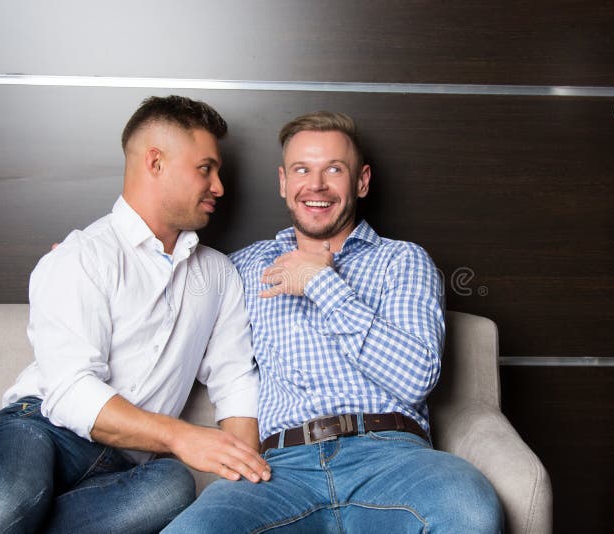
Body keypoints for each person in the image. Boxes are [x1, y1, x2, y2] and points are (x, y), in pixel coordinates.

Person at [0, 95, 271, 534]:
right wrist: (178, 435)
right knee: (4, 508)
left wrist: (246, 474)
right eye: (205, 169)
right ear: (155, 162)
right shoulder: (81, 257)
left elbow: (234, 381)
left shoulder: (219, 274)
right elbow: (71, 392)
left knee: (171, 485)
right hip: (39, 429)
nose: (219, 187)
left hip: (124, 469)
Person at [164, 111, 502, 532]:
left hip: (393, 460)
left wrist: (323, 284)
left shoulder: (402, 261)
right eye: (302, 169)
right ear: (284, 183)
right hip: (280, 472)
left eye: (334, 170)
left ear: (361, 181)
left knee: (469, 509)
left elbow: (416, 377)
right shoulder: (243, 268)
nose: (317, 185)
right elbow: (159, 308)